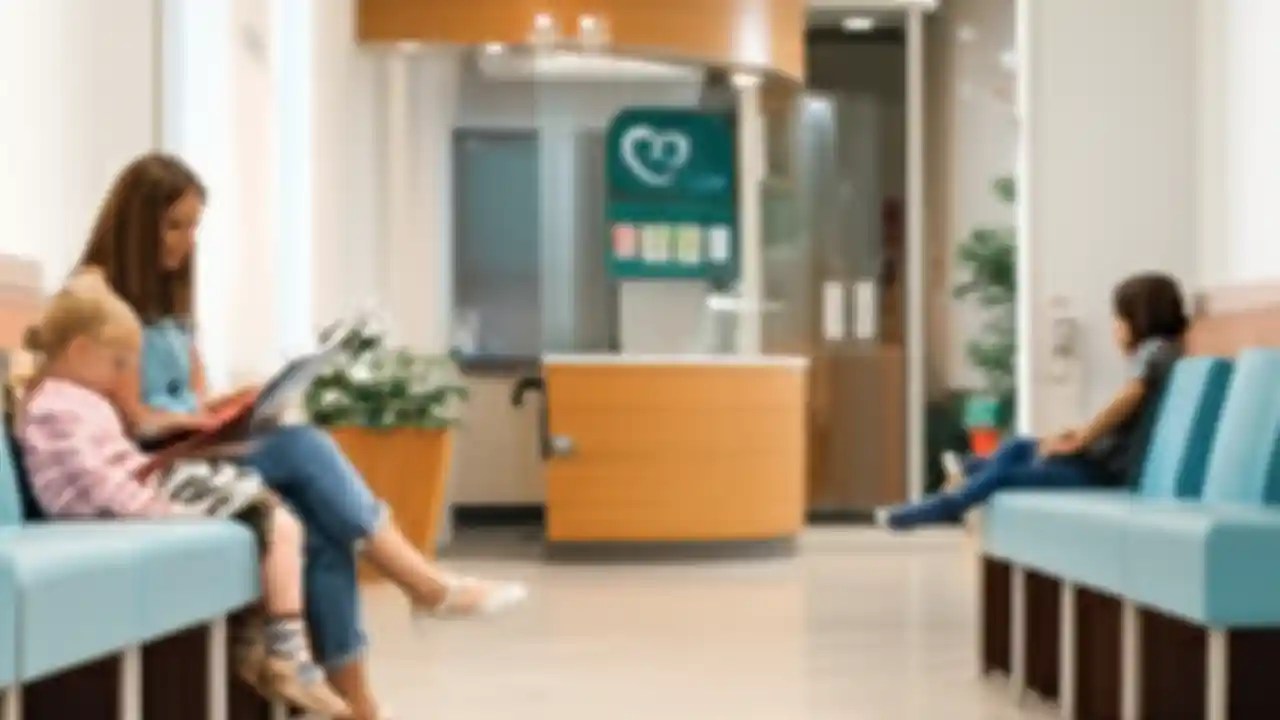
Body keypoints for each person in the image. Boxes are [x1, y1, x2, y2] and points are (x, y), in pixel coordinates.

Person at [77, 152, 526, 719]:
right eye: (174, 226)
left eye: (193, 227)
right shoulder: (96, 303)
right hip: (147, 462)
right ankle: (421, 585)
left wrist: (235, 403)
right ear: (135, 225)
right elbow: (113, 416)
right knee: (304, 447)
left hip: (193, 447)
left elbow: (191, 396)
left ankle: (358, 699)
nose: (186, 242)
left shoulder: (172, 309)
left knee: (319, 525)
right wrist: (181, 420)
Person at [17, 271, 352, 717]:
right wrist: (158, 510)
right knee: (274, 518)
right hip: (124, 503)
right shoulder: (58, 406)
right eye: (118, 363)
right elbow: (90, 482)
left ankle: (263, 644)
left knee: (264, 511)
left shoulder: (70, 400)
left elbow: (102, 473)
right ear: (80, 351)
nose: (123, 378)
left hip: (136, 492)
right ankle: (288, 651)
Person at [877, 272, 1189, 530]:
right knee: (1019, 447)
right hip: (1096, 462)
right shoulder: (1163, 353)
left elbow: (1129, 397)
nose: (1114, 328)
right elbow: (1127, 415)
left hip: (1103, 474)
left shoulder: (1155, 351)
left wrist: (1083, 438)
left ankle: (952, 501)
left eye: (1118, 319)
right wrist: (1078, 437)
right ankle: (970, 471)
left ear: (1140, 318)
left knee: (1005, 476)